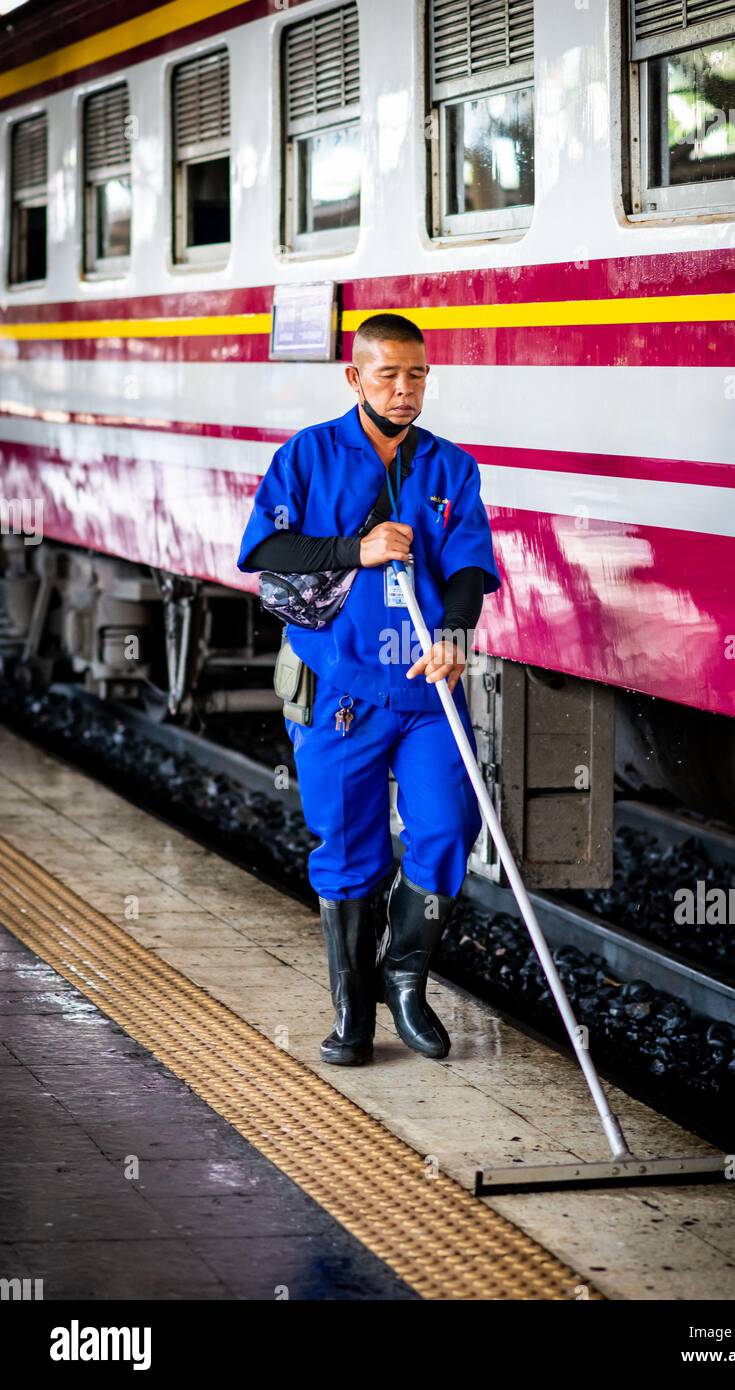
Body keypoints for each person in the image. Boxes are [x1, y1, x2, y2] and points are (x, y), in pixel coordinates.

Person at [237, 312, 501, 1065]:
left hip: (424, 690)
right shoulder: (309, 454)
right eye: (388, 374)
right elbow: (266, 547)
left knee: (448, 829)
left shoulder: (452, 468)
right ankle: (353, 1010)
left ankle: (405, 979)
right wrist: (358, 547)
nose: (405, 389)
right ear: (355, 378)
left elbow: (469, 571)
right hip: (340, 688)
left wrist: (455, 634)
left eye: (417, 374)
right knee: (349, 848)